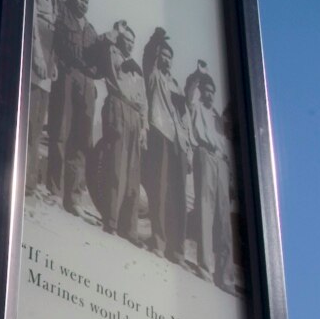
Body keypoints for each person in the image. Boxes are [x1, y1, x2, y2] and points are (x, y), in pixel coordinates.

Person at [90, 21, 148, 243]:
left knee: (132, 175)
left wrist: (144, 127)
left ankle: (129, 229)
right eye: (126, 40)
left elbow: (144, 102)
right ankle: (111, 221)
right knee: (116, 167)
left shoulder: (136, 69)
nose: (130, 45)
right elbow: (101, 42)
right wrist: (116, 31)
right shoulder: (111, 54)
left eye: (133, 42)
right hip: (117, 106)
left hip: (135, 116)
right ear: (120, 40)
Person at [142, 29, 193, 261]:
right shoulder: (153, 75)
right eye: (163, 55)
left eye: (170, 57)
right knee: (160, 190)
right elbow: (147, 57)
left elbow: (185, 117)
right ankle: (158, 242)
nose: (167, 60)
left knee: (179, 197)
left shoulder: (176, 84)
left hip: (178, 142)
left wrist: (188, 149)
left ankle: (177, 250)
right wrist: (156, 40)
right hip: (160, 133)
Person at [45, 0, 98, 216]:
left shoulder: (91, 29)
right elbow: (54, 42)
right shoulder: (61, 13)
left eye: (87, 0)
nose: (84, 3)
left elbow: (99, 60)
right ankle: (55, 191)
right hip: (66, 75)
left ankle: (73, 198)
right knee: (60, 132)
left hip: (86, 83)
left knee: (81, 139)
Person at [187, 65, 231, 286]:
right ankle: (204, 266)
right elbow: (188, 91)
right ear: (201, 91)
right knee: (205, 211)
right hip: (204, 155)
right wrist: (198, 75)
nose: (210, 94)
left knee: (224, 218)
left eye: (213, 91)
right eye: (206, 90)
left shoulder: (218, 119)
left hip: (220, 162)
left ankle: (225, 276)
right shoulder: (195, 107)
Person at [26, 0, 61, 197]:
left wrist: (52, 61)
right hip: (36, 48)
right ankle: (21, 180)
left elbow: (54, 27)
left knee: (38, 124)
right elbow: (31, 18)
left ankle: (30, 182)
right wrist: (37, 54)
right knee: (30, 121)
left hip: (48, 52)